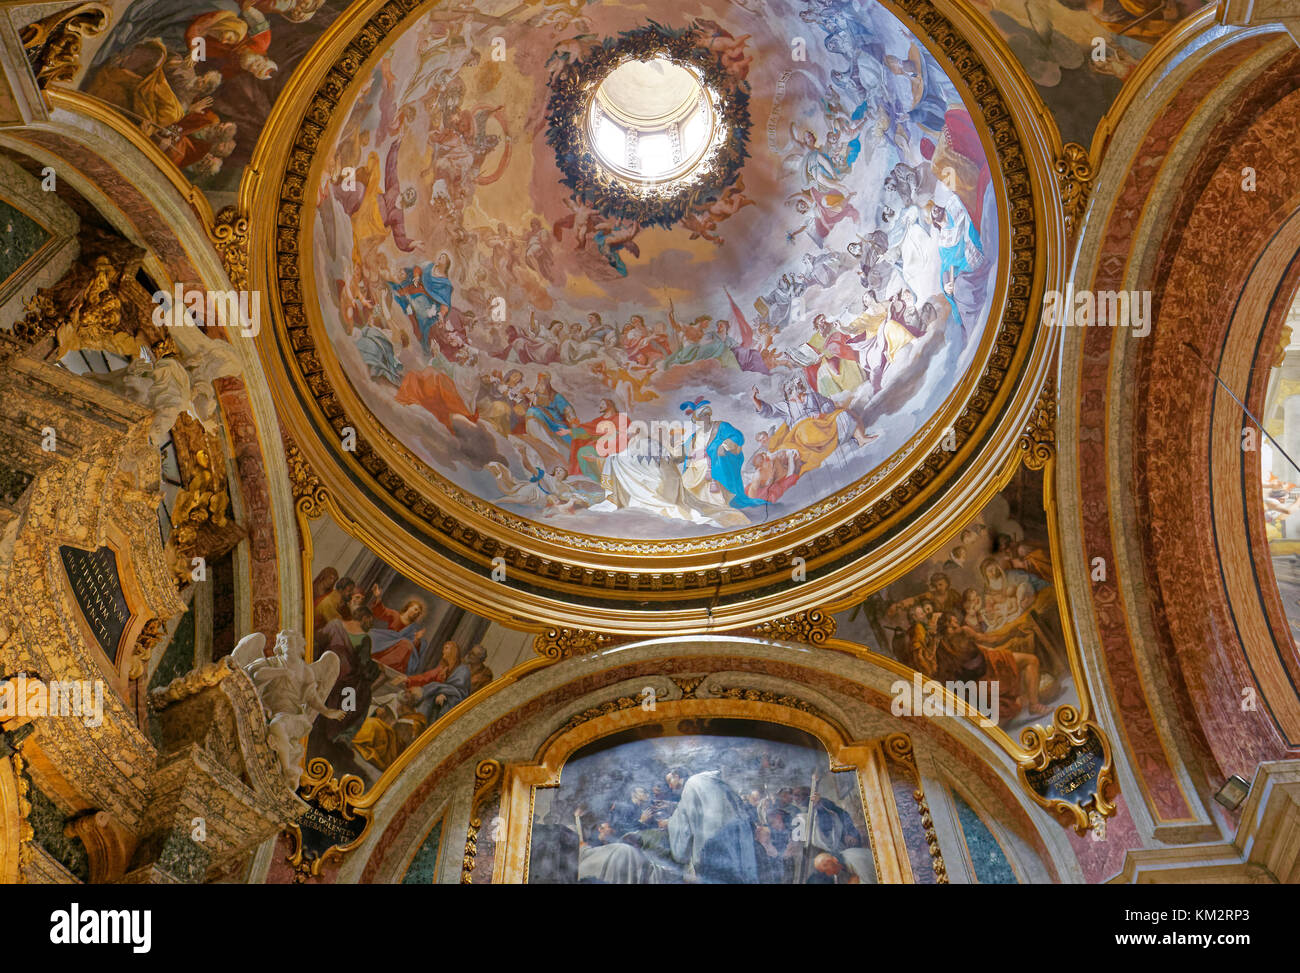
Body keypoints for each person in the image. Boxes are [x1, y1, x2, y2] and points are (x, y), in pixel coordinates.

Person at [666, 767, 759, 883]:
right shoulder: (716, 783)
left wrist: (669, 822)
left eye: (670, 781)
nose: (670, 786)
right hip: (735, 851)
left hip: (714, 852)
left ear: (677, 776)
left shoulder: (692, 784)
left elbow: (684, 828)